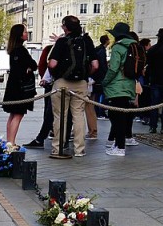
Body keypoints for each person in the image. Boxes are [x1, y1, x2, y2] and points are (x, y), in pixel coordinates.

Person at [47, 15, 97, 157]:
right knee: (79, 116)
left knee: (59, 116)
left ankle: (58, 148)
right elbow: (95, 65)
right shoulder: (87, 41)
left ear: (65, 27)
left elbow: (52, 64)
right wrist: (86, 75)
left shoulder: (62, 41)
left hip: (62, 82)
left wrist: (55, 74)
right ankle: (79, 149)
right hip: (81, 83)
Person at [103, 23, 138, 157]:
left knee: (118, 118)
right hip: (129, 85)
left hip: (117, 86)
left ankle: (120, 147)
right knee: (121, 117)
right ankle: (118, 144)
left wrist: (105, 82)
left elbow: (113, 68)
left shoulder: (118, 47)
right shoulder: (134, 46)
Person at [2, 24, 36, 144]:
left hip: (13, 85)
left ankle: (9, 141)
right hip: (20, 88)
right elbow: (33, 64)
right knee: (18, 115)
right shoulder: (21, 50)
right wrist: (29, 68)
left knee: (12, 115)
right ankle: (11, 143)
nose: (27, 33)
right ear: (20, 35)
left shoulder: (13, 50)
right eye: (25, 32)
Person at [24, 44, 54, 149]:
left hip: (55, 85)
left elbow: (46, 65)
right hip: (75, 85)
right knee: (72, 115)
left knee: (49, 113)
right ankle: (73, 144)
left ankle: (41, 138)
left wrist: (45, 79)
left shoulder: (53, 48)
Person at [92, 35, 110, 120]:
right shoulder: (102, 51)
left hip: (97, 76)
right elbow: (102, 64)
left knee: (97, 95)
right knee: (104, 94)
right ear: (106, 41)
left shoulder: (98, 49)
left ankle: (97, 111)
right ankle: (101, 112)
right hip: (101, 76)